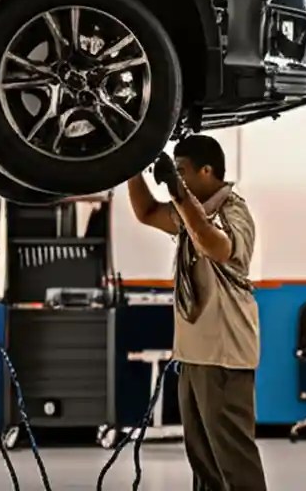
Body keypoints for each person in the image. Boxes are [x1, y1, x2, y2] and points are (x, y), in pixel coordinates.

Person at [127, 135, 266, 491]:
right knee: (203, 462)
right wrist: (130, 166)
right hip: (194, 355)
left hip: (224, 355)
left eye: (183, 171)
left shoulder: (233, 211)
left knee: (233, 460)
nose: (179, 177)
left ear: (207, 171)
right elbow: (146, 213)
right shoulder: (191, 210)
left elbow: (214, 245)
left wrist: (178, 193)